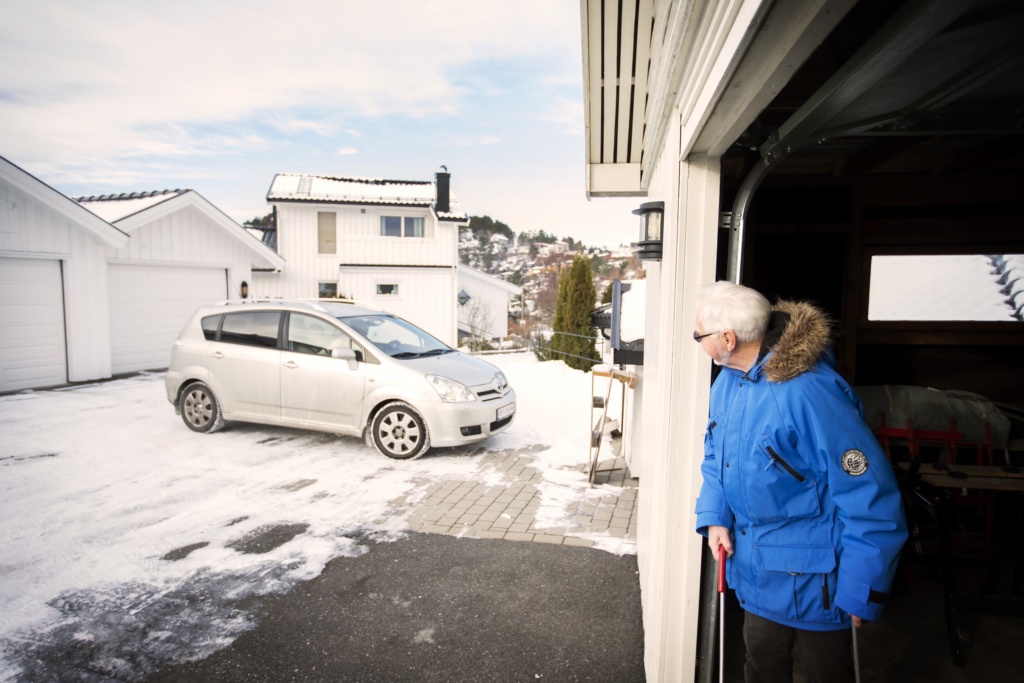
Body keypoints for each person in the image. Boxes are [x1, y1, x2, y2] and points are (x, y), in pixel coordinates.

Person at [693, 281, 907, 683]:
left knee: (826, 674)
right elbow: (716, 457)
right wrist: (715, 516)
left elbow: (869, 493)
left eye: (698, 335)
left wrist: (864, 589)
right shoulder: (728, 382)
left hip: (818, 584)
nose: (697, 342)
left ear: (727, 338)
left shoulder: (811, 392)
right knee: (759, 669)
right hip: (757, 572)